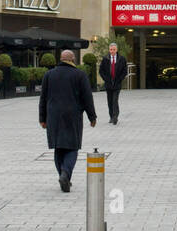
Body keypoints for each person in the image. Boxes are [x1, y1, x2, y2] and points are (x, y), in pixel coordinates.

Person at [38, 50, 96, 192]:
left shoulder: (49, 74)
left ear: (61, 59)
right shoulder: (80, 75)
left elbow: (43, 98)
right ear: (73, 59)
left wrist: (42, 118)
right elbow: (87, 97)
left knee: (58, 147)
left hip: (53, 117)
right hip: (73, 115)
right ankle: (65, 174)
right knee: (72, 147)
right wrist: (92, 116)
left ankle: (64, 176)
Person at [99, 42, 128, 125]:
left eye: (114, 49)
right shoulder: (105, 59)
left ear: (117, 50)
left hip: (117, 83)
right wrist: (106, 79)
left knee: (115, 100)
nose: (112, 51)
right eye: (111, 49)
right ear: (109, 50)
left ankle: (115, 117)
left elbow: (124, 71)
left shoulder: (121, 59)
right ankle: (111, 116)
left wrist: (120, 79)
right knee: (110, 101)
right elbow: (101, 71)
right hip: (108, 84)